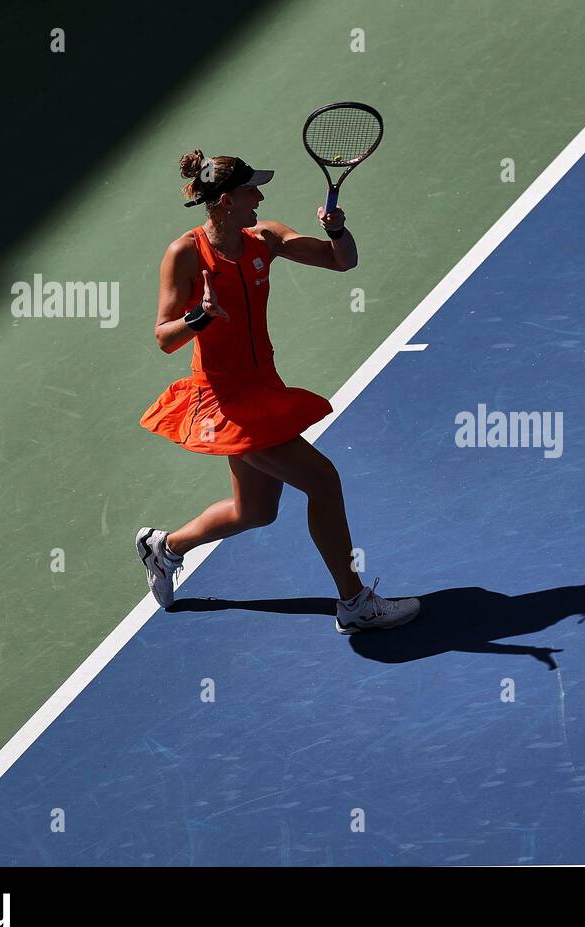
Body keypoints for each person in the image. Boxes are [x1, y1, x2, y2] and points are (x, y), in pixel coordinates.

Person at [135, 149, 419, 634]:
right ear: (225, 200)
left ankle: (165, 547)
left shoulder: (264, 236)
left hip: (263, 386)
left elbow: (341, 261)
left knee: (256, 511)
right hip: (225, 400)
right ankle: (353, 603)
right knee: (323, 481)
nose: (260, 197)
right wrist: (199, 317)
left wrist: (335, 228)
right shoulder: (185, 253)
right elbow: (164, 336)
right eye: (252, 190)